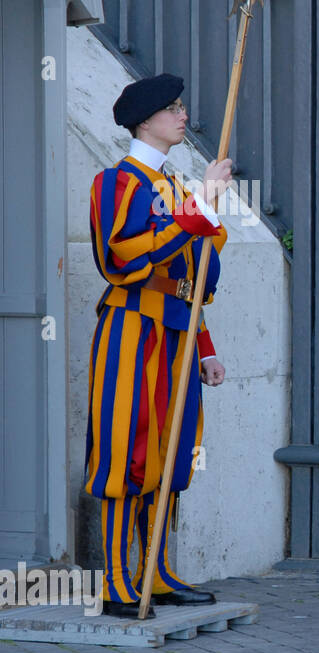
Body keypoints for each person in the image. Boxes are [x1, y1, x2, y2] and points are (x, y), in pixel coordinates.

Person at [84, 73, 233, 618]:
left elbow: (192, 277)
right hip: (133, 329)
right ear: (145, 120)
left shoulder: (176, 187)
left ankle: (156, 572)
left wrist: (207, 346)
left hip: (178, 334)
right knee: (129, 449)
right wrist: (200, 210)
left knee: (173, 454)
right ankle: (118, 582)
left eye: (181, 106)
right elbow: (122, 257)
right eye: (172, 108)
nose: (183, 114)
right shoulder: (116, 183)